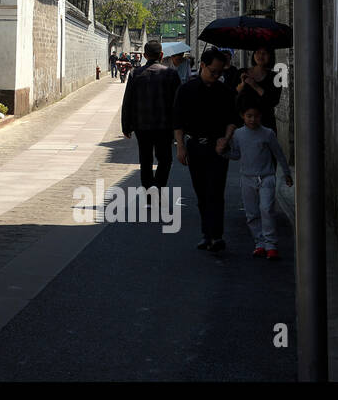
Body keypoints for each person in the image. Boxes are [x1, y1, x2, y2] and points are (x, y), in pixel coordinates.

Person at [174, 48, 238, 252]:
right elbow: (178, 122)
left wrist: (225, 139)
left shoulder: (226, 92)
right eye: (213, 71)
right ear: (202, 65)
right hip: (195, 147)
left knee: (216, 192)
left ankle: (217, 236)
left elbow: (233, 120)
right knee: (202, 193)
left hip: (218, 149)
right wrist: (181, 147)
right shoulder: (186, 90)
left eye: (220, 72)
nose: (216, 75)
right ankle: (206, 233)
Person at [226, 93, 292, 258]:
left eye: (255, 116)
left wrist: (286, 173)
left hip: (267, 177)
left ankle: (271, 244)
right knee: (252, 213)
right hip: (247, 178)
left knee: (266, 209)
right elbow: (235, 155)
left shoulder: (268, 133)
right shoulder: (238, 134)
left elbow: (279, 155)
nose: (252, 120)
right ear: (243, 116)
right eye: (249, 116)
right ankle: (259, 242)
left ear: (261, 116)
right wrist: (223, 152)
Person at [121, 40, 181, 189]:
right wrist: (180, 127)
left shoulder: (135, 73)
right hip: (164, 126)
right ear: (161, 55)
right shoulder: (171, 74)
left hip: (142, 125)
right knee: (165, 160)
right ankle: (158, 188)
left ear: (144, 55)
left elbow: (128, 101)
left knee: (146, 160)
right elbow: (178, 103)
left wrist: (126, 126)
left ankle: (149, 195)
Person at [236, 46, 282, 131]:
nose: (260, 56)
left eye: (264, 53)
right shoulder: (241, 72)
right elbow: (233, 97)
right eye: (257, 52)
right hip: (243, 123)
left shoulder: (276, 77)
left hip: (265, 123)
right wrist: (241, 86)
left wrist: (255, 86)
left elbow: (273, 101)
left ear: (270, 56)